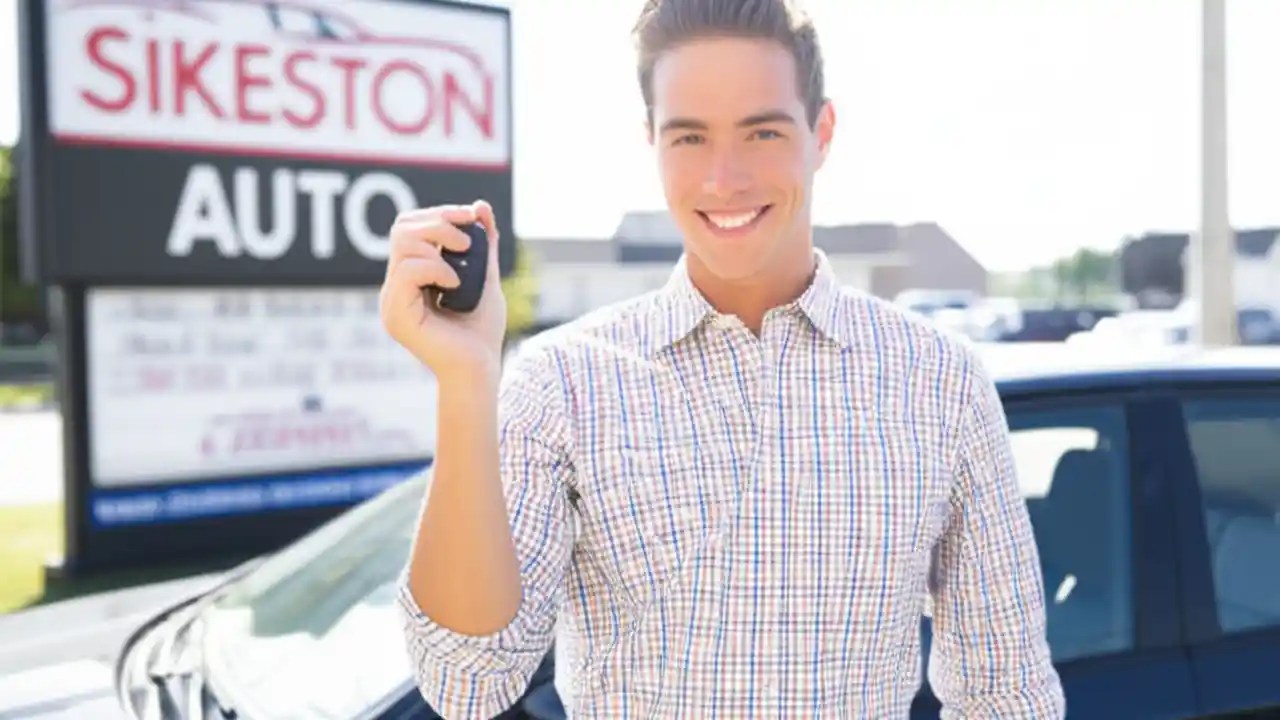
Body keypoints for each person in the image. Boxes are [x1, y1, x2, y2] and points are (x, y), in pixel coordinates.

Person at [381, 0, 1066, 717]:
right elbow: (467, 683)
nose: (724, 178)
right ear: (651, 143)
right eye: (689, 138)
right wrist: (465, 379)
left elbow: (1006, 693)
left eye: (762, 131)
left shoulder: (942, 382)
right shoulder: (563, 383)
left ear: (820, 133)